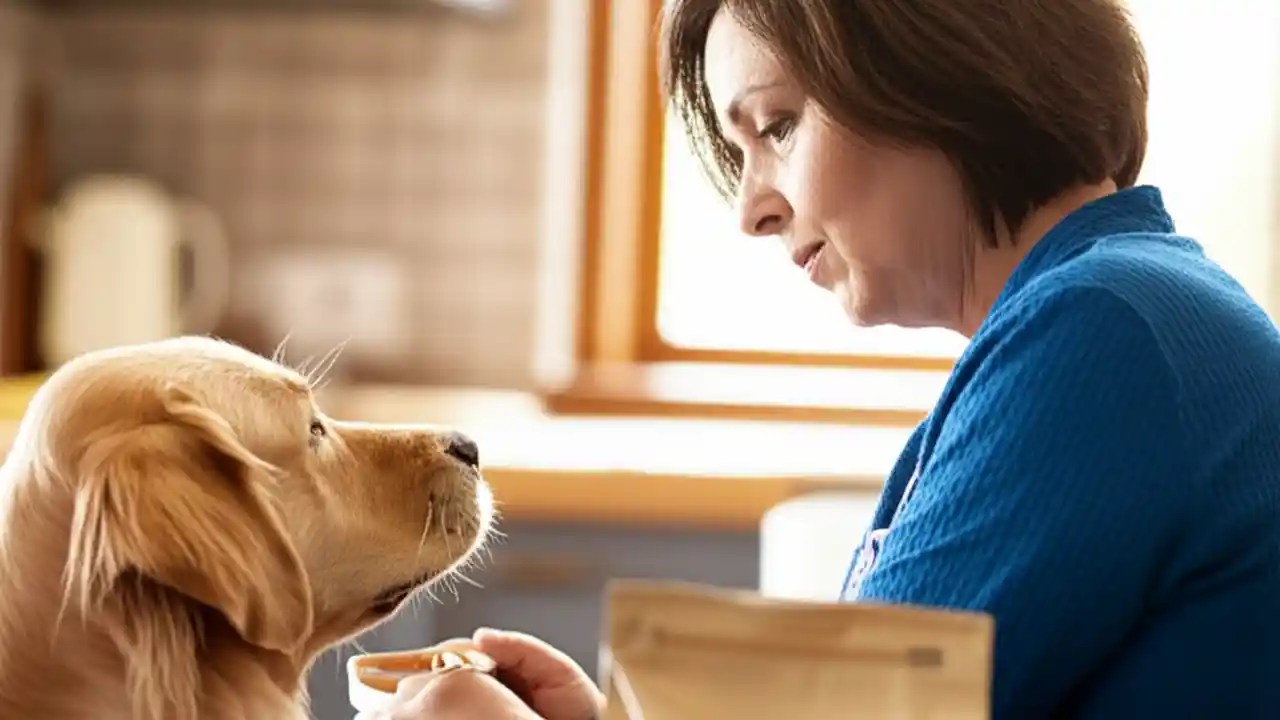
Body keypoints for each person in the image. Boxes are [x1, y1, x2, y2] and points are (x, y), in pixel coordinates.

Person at [372, 1, 1280, 718]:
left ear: (940, 67)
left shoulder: (1102, 333)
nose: (752, 210)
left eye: (778, 126)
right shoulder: (1122, 311)